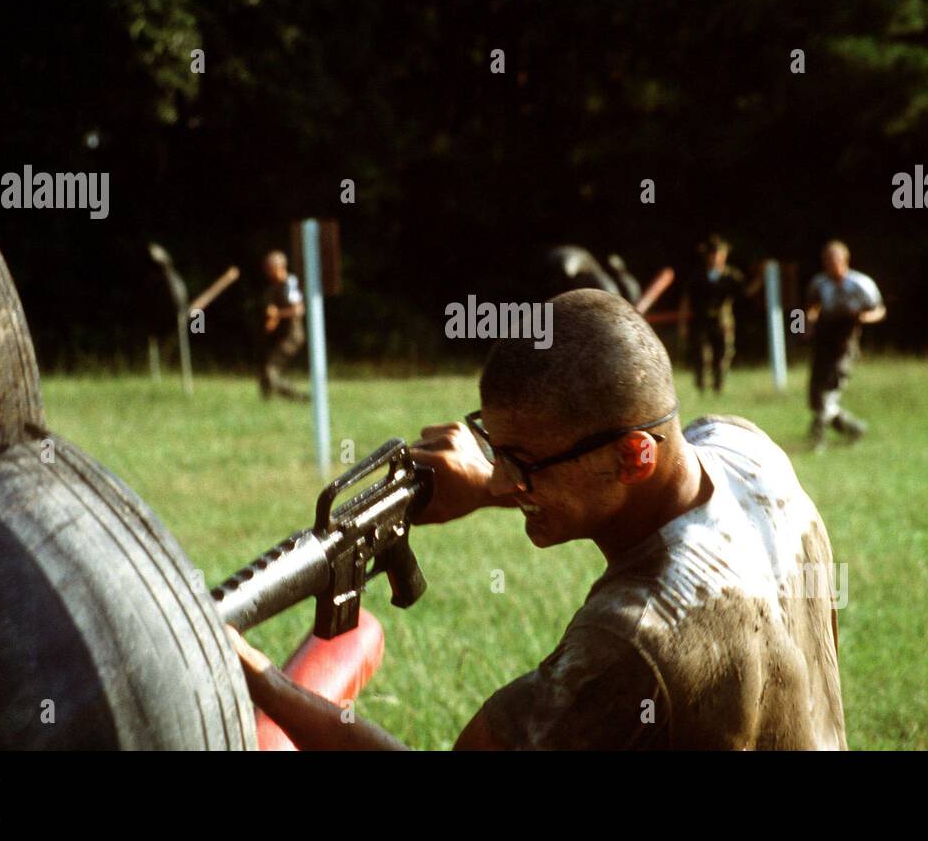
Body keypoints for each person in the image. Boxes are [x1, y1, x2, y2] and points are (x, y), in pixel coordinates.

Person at [230, 289, 847, 750]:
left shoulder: (632, 640)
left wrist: (262, 680)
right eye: (494, 450)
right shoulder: (749, 452)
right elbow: (649, 487)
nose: (500, 478)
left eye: (522, 462)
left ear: (634, 454)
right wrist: (490, 487)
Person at [804, 241, 885, 450]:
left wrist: (865, 317)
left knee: (829, 393)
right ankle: (854, 428)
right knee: (815, 396)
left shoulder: (860, 284)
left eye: (835, 262)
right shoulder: (819, 283)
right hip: (823, 342)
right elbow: (811, 307)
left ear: (845, 261)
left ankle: (818, 438)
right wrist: (807, 324)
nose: (831, 267)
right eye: (827, 262)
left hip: (845, 344)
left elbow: (880, 309)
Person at [678, 235, 762, 394]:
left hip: (723, 322)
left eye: (719, 254)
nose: (716, 257)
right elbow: (686, 300)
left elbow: (746, 293)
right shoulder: (697, 276)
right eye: (713, 254)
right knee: (702, 356)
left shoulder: (731, 275)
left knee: (723, 355)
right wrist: (682, 323)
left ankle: (719, 386)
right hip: (701, 322)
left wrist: (761, 278)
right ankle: (701, 387)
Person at [258, 250, 307, 400]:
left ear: (279, 267)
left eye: (268, 268)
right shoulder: (274, 287)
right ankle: (266, 405)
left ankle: (299, 398)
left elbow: (298, 309)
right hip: (279, 335)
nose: (266, 272)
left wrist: (277, 314)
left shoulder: (289, 284)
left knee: (270, 371)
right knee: (264, 370)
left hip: (292, 335)